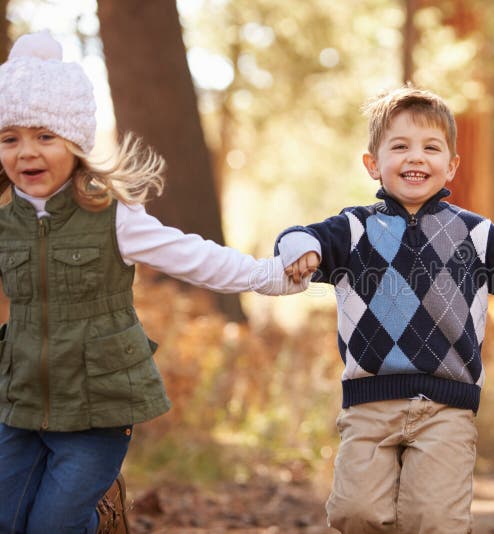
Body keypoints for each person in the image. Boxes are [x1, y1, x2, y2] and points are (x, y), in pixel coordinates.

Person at [0, 32, 307, 533]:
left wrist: (266, 275)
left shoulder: (110, 216)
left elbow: (192, 256)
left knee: (52, 526)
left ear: (75, 142)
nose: (25, 152)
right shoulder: (5, 217)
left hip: (98, 404)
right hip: (21, 402)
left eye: (44, 136)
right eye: (10, 138)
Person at [277, 85, 494, 533]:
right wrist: (300, 248)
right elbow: (299, 236)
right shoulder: (353, 230)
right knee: (354, 512)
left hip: (447, 406)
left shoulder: (475, 235)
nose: (415, 158)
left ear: (452, 165)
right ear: (372, 164)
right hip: (370, 402)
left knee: (435, 519)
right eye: (399, 147)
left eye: (431, 147)